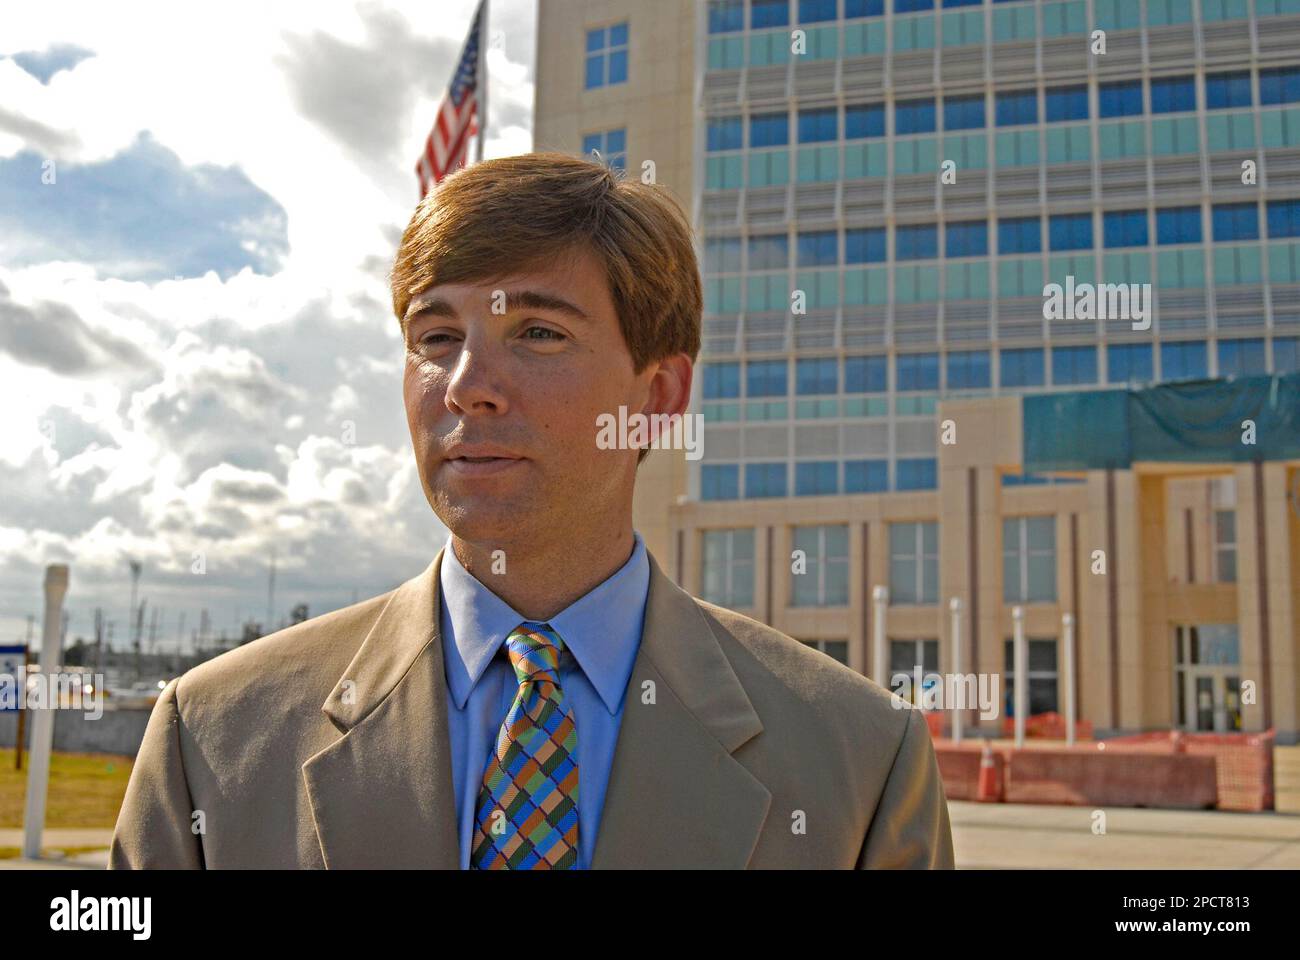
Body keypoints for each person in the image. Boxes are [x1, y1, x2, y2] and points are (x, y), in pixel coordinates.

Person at [109, 153, 954, 869]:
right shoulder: (211, 737)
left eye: (538, 334)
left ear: (657, 395)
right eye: (436, 337)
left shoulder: (861, 758)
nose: (468, 385)